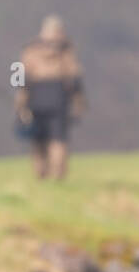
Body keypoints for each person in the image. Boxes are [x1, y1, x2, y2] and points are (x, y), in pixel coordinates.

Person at [15, 16, 86, 180]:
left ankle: (40, 174)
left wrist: (20, 103)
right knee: (58, 139)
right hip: (58, 96)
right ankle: (58, 176)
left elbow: (20, 79)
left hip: (36, 96)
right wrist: (78, 101)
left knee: (37, 139)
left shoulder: (30, 49)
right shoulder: (66, 50)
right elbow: (75, 78)